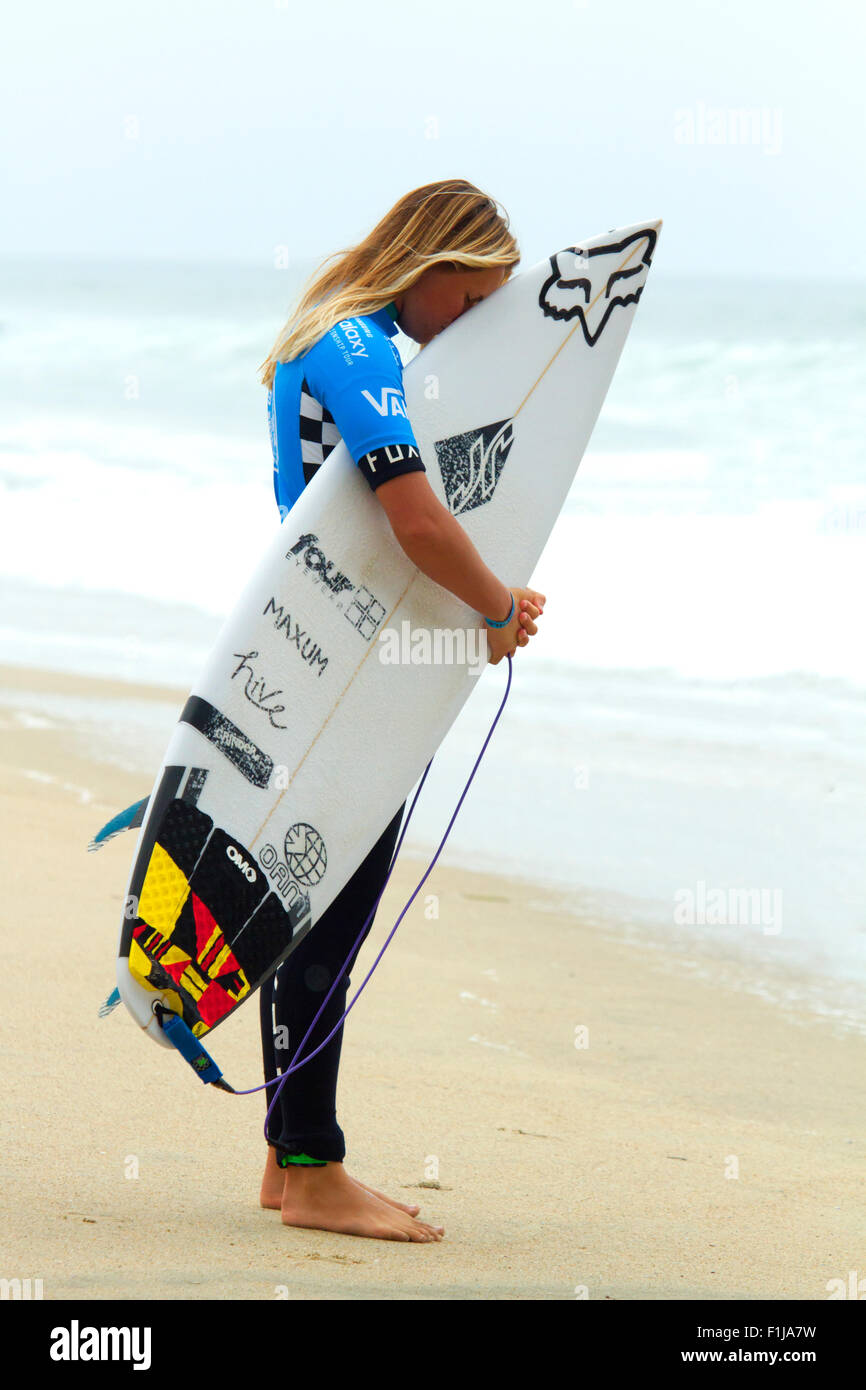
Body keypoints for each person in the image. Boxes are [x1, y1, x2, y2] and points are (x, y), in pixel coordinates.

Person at [256, 178, 546, 1242]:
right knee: (329, 909)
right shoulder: (362, 350)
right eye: (468, 299)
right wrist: (495, 603)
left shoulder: (325, 335)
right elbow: (415, 520)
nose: (467, 322)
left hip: (319, 642)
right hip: (351, 661)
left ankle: (286, 1165)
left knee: (305, 899)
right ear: (430, 266)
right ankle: (313, 1167)